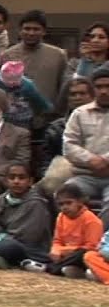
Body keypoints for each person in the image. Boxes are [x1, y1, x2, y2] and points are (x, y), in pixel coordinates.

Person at [20, 183, 103, 278]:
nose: (64, 207)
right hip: (62, 256)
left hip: (79, 255)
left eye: (68, 203)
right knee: (34, 249)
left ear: (80, 201)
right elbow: (57, 241)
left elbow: (91, 247)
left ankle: (48, 268)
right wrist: (55, 250)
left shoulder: (91, 220)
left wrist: (64, 251)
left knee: (83, 254)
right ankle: (70, 270)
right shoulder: (61, 217)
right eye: (61, 204)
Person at [60, 68, 109, 215]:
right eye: (99, 87)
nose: (104, 91)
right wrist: (91, 160)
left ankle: (99, 237)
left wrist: (105, 160)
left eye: (108, 86)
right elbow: (68, 145)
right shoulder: (79, 114)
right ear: (92, 89)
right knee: (65, 194)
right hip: (85, 175)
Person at [0, 10, 69, 108]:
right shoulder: (8, 55)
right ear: (20, 31)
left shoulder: (58, 55)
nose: (31, 33)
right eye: (27, 29)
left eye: (36, 29)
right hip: (17, 115)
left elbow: (64, 88)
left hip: (49, 115)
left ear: (44, 31)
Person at [0, 60, 52, 132]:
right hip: (0, 119)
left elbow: (40, 103)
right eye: (8, 80)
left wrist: (40, 117)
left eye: (14, 81)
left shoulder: (28, 86)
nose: (11, 83)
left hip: (22, 121)